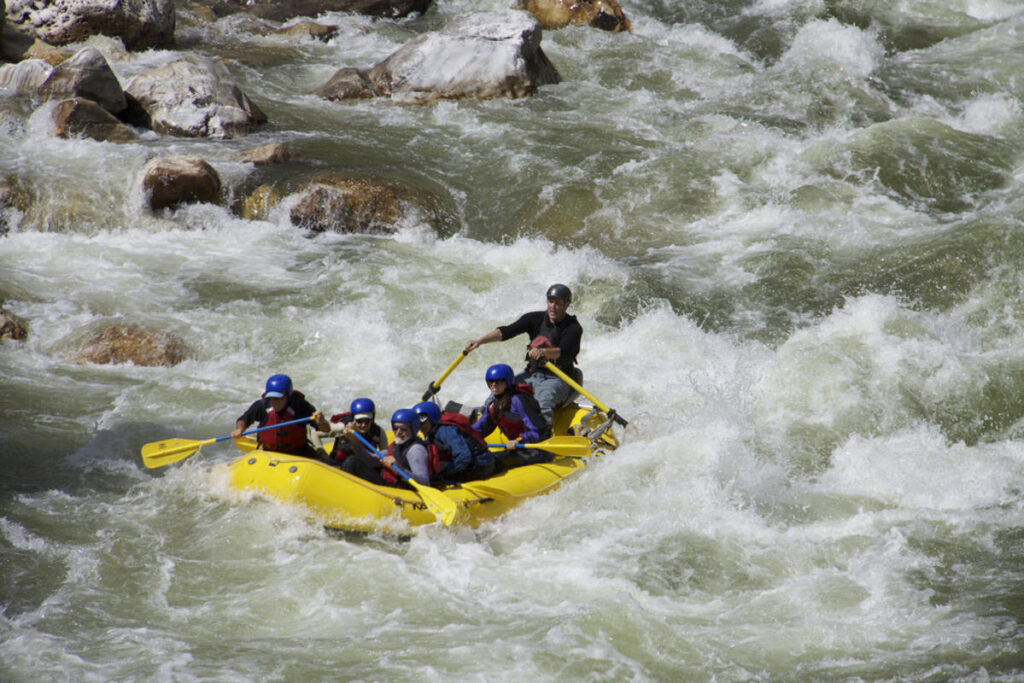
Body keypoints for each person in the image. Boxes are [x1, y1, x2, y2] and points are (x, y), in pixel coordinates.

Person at [465, 283, 582, 424]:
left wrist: (543, 352)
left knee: (543, 403)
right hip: (531, 372)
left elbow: (562, 352)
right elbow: (506, 331)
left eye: (558, 303)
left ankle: (542, 436)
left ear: (567, 304)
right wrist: (479, 341)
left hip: (557, 379)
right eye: (551, 302)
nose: (553, 307)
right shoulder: (534, 319)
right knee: (499, 392)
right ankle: (481, 423)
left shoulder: (574, 328)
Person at [472, 363, 552, 467]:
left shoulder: (519, 399)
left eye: (499, 381)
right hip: (518, 449)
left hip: (535, 449)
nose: (494, 385)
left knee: (487, 463)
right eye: (491, 381)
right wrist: (465, 436)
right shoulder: (494, 405)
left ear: (507, 382)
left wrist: (519, 440)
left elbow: (538, 430)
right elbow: (480, 428)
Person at [232, 373, 320, 458]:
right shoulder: (262, 406)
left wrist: (322, 422)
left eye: (279, 398)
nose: (274, 402)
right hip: (269, 453)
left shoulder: (300, 406)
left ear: (288, 396)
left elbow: (325, 429)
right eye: (271, 398)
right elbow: (243, 419)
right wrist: (239, 429)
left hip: (300, 453)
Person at [413, 401, 494, 483]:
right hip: (472, 462)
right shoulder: (432, 430)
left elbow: (464, 457)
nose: (420, 427)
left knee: (438, 481)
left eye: (422, 423)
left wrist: (445, 473)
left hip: (481, 465)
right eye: (418, 424)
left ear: (432, 419)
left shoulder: (445, 431)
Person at [313, 397, 387, 468]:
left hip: (362, 468)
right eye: (359, 421)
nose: (363, 425)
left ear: (372, 419)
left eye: (367, 421)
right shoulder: (343, 428)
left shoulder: (378, 432)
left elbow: (385, 456)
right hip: (337, 466)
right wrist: (321, 451)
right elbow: (314, 432)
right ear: (353, 419)